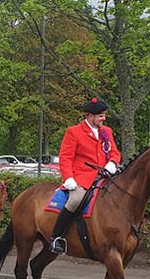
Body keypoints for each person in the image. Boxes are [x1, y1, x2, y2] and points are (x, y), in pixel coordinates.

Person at [49, 97, 121, 254]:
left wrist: (113, 163)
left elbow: (114, 152)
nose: (104, 119)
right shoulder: (73, 132)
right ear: (90, 116)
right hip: (82, 177)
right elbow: (65, 157)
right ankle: (56, 238)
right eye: (101, 116)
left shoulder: (106, 132)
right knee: (75, 200)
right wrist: (68, 177)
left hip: (104, 176)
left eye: (104, 115)